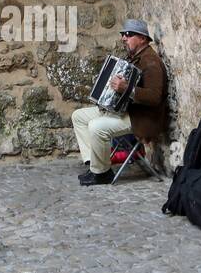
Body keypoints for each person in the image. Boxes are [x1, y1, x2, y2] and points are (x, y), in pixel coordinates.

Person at [71, 19, 167, 185]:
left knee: (96, 126)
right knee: (79, 116)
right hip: (124, 110)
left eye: (128, 35)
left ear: (143, 38)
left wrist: (126, 89)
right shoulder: (133, 58)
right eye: (123, 35)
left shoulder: (151, 62)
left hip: (142, 119)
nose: (124, 38)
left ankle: (102, 173)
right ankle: (94, 163)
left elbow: (154, 97)